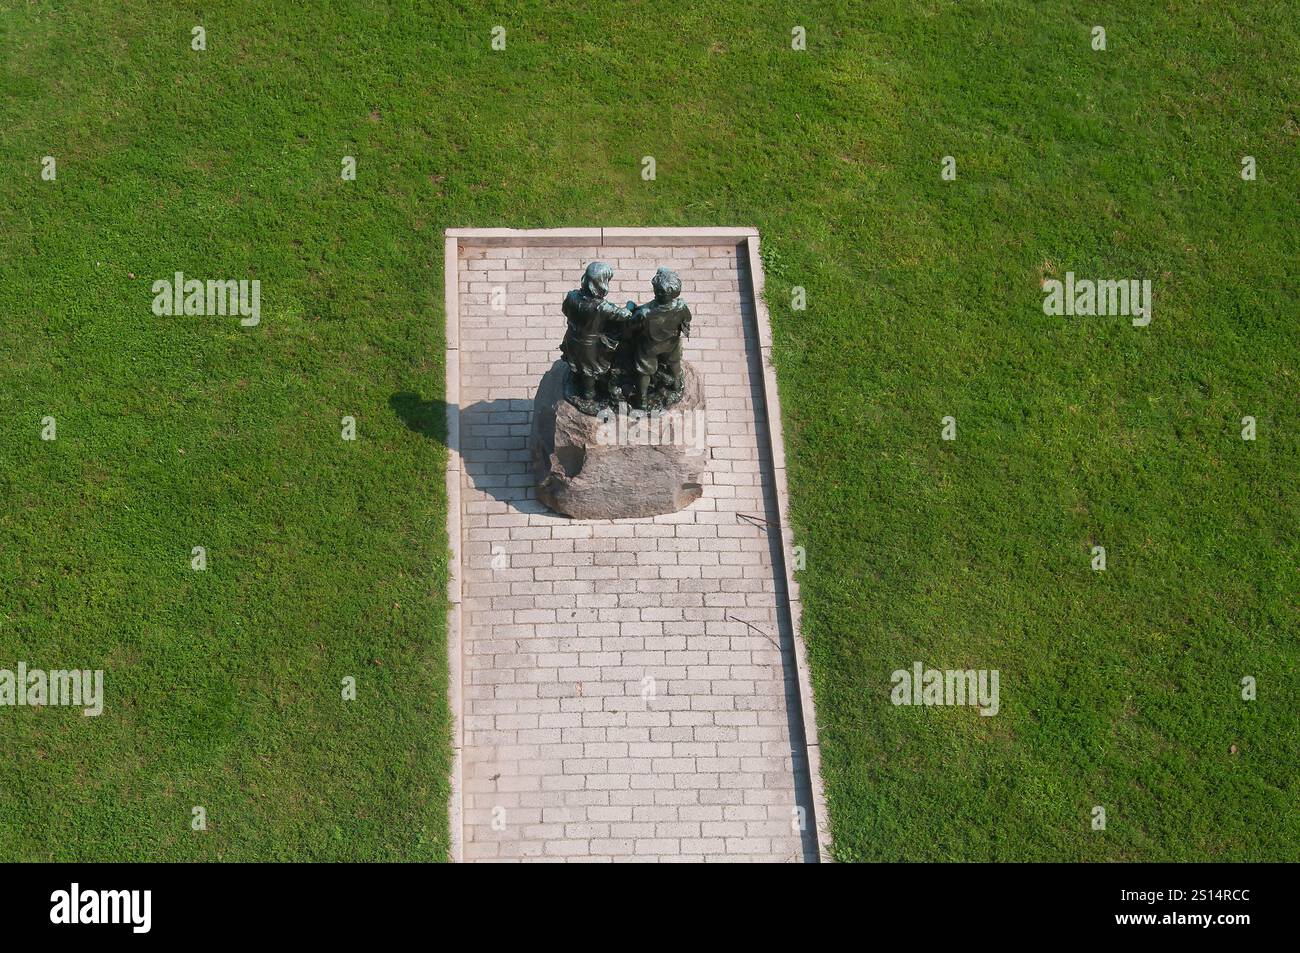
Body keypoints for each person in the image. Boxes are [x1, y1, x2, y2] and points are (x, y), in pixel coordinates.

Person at [560, 262, 635, 403]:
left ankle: (577, 378)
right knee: (589, 370)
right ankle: (588, 396)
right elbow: (624, 315)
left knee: (577, 362)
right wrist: (630, 305)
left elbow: (566, 311)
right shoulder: (603, 307)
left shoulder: (571, 296)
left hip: (571, 338)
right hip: (589, 346)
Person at [626, 267, 691, 408]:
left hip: (649, 347)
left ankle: (642, 399)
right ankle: (676, 384)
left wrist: (630, 309)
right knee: (674, 362)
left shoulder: (645, 312)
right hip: (671, 343)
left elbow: (631, 327)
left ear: (657, 291)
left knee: (644, 371)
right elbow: (687, 320)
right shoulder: (681, 306)